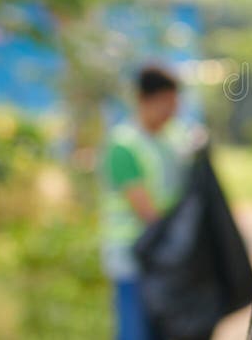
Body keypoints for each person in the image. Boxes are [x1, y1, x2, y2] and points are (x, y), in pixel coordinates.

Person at [99, 65, 192, 340]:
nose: (171, 112)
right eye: (165, 103)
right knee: (135, 331)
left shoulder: (168, 141)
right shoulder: (123, 145)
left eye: (174, 104)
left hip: (161, 255)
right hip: (132, 257)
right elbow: (146, 210)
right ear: (144, 99)